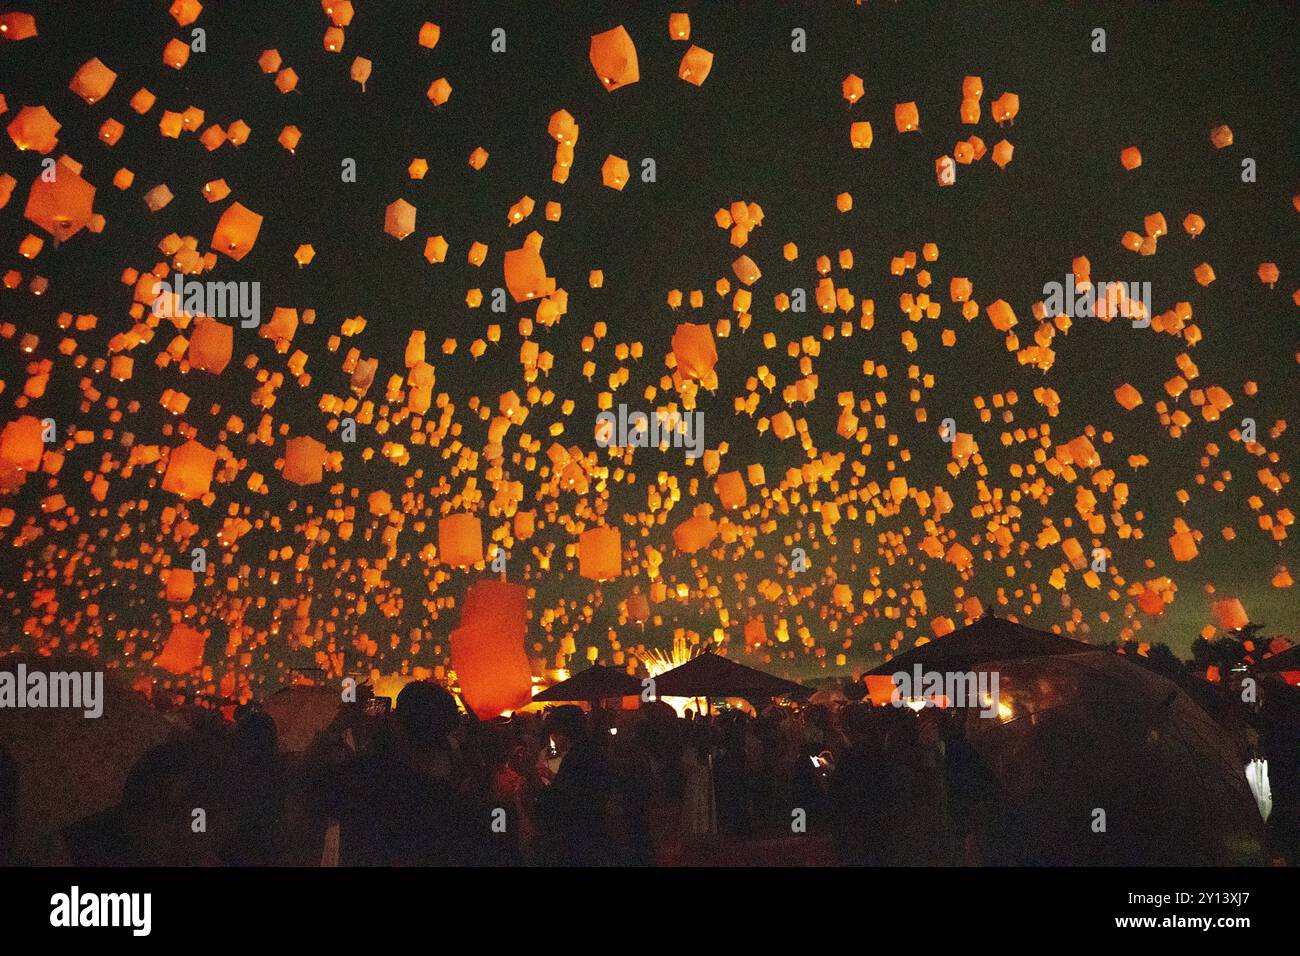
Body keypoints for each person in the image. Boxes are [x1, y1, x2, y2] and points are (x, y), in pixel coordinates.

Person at [306, 681, 498, 865]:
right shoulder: (464, 797)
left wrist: (342, 721)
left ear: (399, 725)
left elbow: (308, 778)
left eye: (396, 712)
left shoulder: (373, 785)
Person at [534, 705, 613, 865]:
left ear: (563, 731)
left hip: (581, 834)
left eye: (554, 733)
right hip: (595, 829)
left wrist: (533, 780)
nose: (553, 739)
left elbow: (562, 798)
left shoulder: (577, 757)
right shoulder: (591, 750)